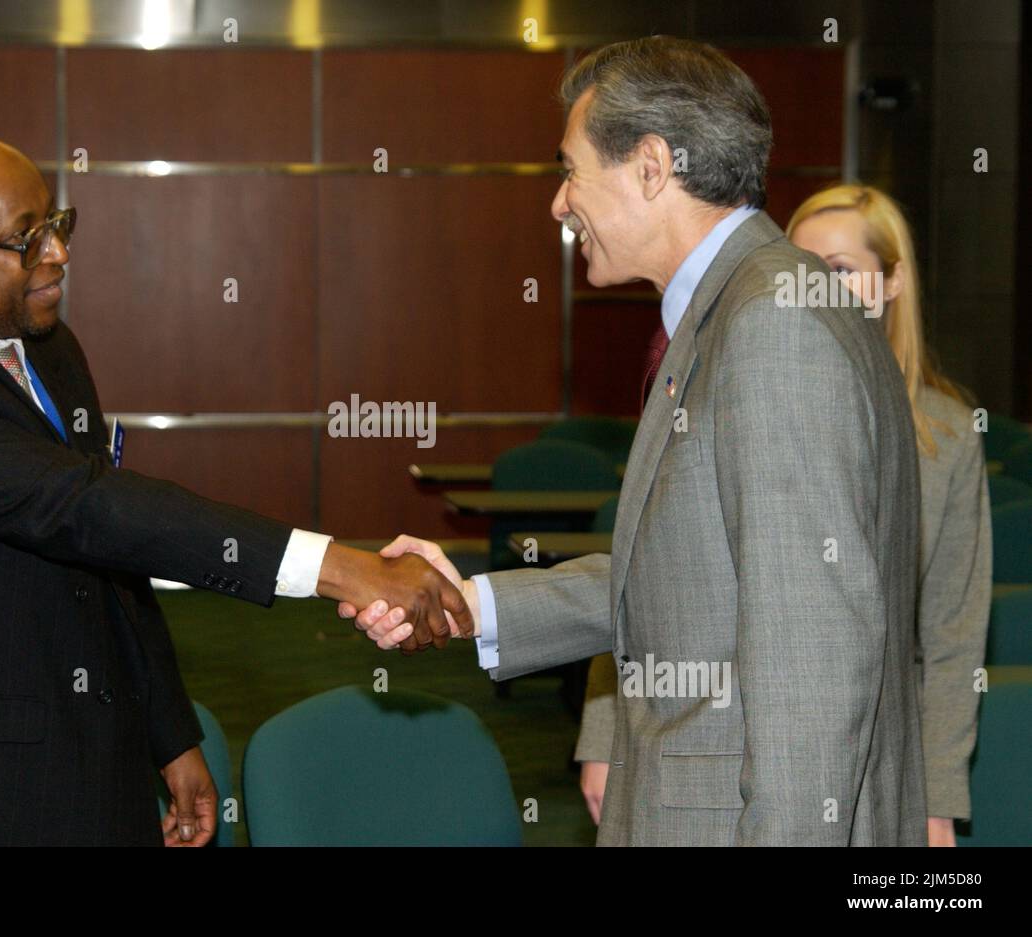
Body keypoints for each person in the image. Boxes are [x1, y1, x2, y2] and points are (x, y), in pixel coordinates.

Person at [0, 132, 470, 846]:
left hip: (78, 756)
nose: (57, 254)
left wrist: (168, 732)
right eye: (24, 240)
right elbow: (80, 505)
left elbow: (106, 552)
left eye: (56, 224)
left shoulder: (44, 343)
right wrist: (338, 565)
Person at [345, 36, 928, 845]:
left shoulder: (772, 326)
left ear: (652, 165)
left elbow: (812, 663)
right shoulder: (745, 309)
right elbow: (694, 573)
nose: (558, 202)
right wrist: (472, 601)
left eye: (571, 169)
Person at [787, 185, 990, 846]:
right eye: (801, 272)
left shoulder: (949, 436)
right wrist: (606, 731)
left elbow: (953, 638)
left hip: (884, 763)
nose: (816, 291)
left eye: (840, 272)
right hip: (748, 748)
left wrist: (937, 799)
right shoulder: (739, 406)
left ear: (893, 280)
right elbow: (661, 576)